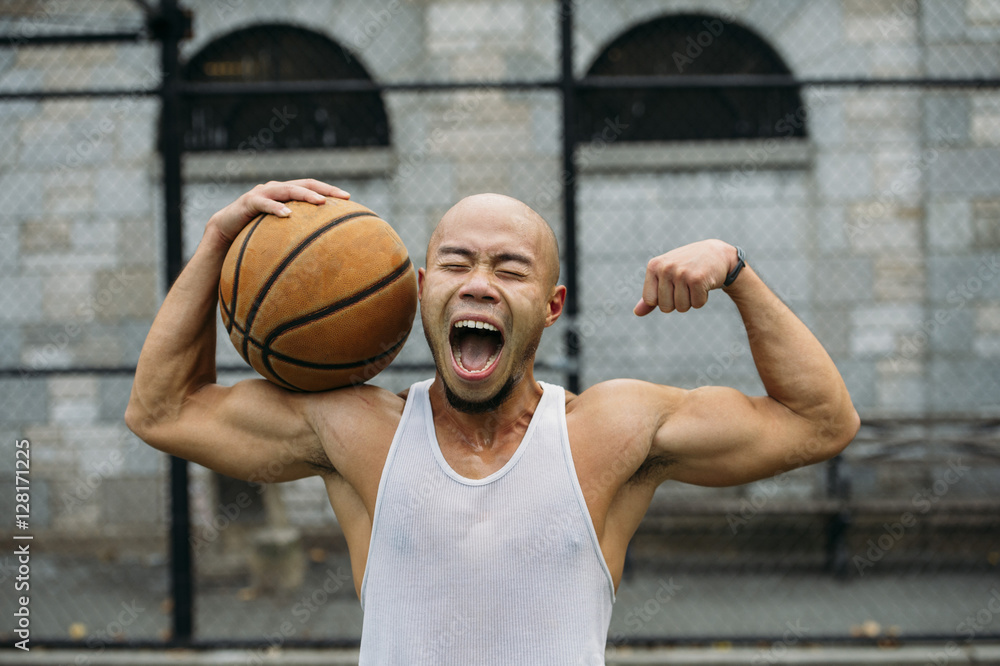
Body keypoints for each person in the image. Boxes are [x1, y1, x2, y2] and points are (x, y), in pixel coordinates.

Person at [125, 179, 860, 664]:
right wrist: (220, 240)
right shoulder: (356, 431)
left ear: (550, 304)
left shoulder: (607, 431)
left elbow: (819, 423)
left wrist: (736, 270)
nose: (479, 283)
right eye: (456, 264)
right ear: (421, 291)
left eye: (509, 269)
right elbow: (162, 410)